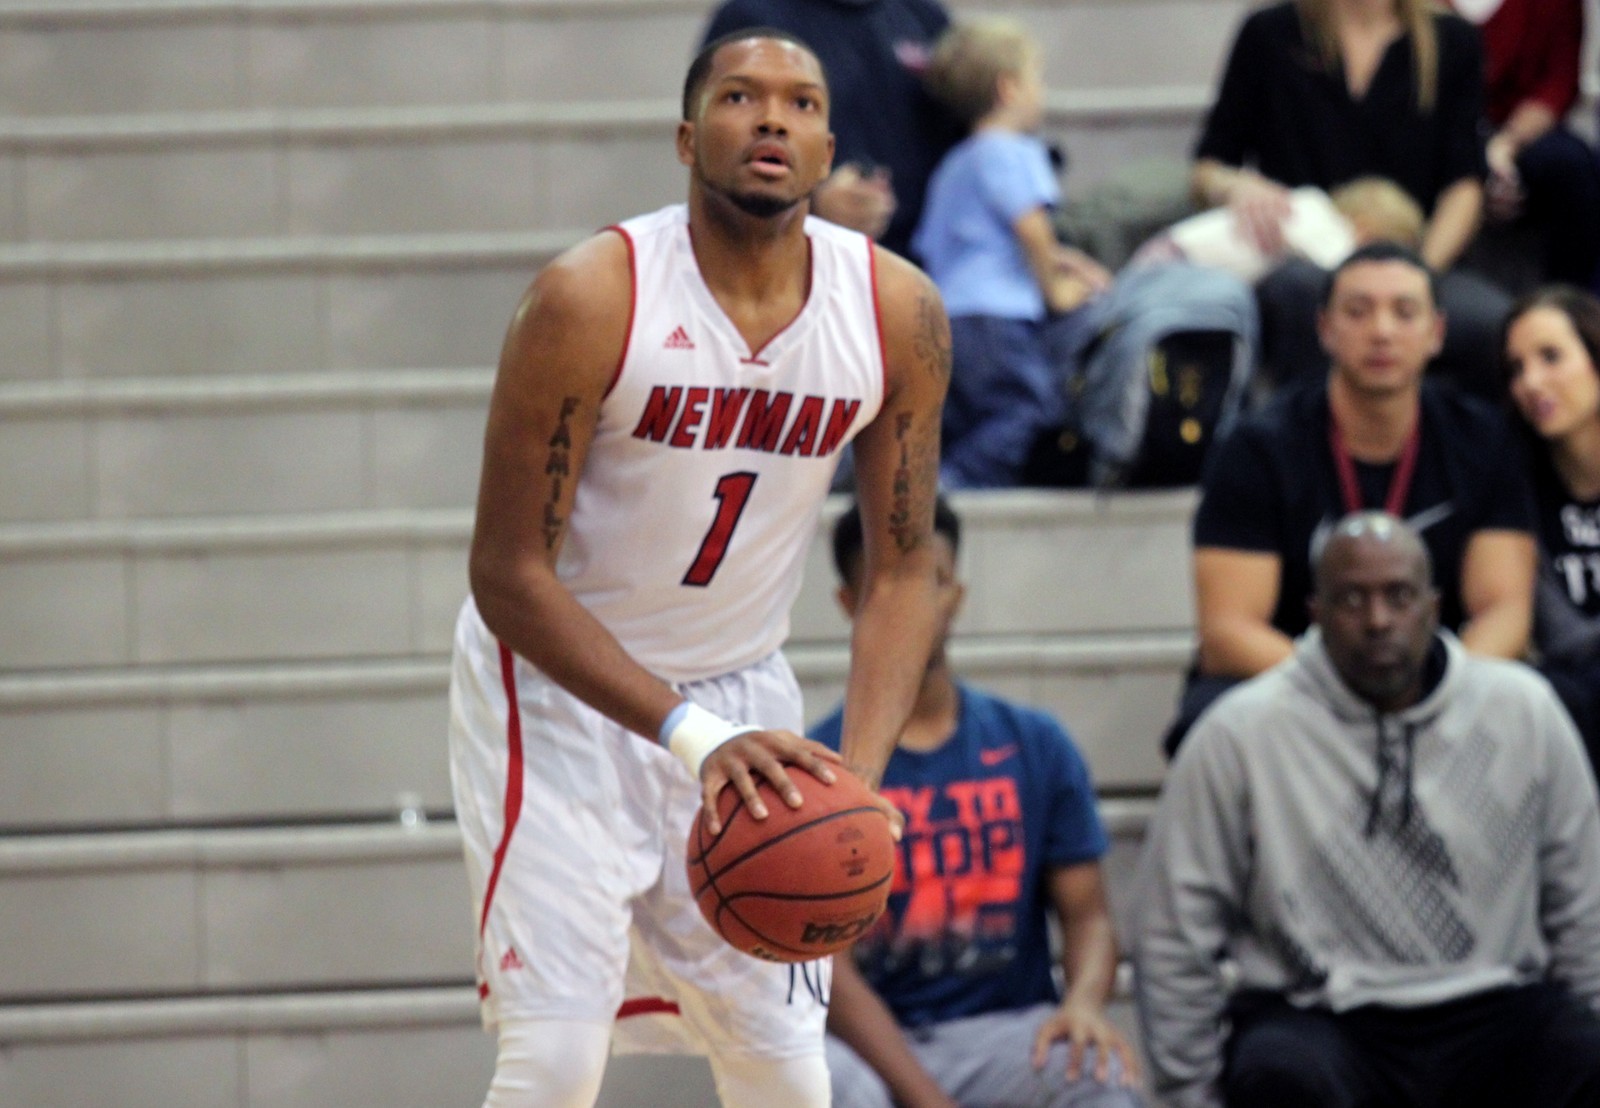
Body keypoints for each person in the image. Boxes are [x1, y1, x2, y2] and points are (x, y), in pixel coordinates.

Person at [446, 29, 951, 1108]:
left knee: (787, 1072)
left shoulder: (894, 310)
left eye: (801, 103)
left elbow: (906, 571)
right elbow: (506, 573)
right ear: (686, 138)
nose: (772, 117)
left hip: (745, 693)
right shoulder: (592, 296)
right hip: (561, 689)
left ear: (828, 151)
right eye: (739, 96)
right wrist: (688, 733)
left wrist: (856, 780)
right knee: (555, 1060)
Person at [1133, 511, 1600, 1108]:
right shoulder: (1240, 734)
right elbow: (1173, 928)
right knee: (1277, 1073)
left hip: (1493, 1007)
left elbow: (1583, 902)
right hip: (1321, 1016)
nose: (1378, 621)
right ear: (1316, 614)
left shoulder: (1525, 711)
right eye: (1352, 600)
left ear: (1432, 607)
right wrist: (1190, 1095)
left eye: (1398, 596)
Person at [812, 497, 1145, 1108]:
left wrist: (1083, 1005)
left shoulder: (1035, 743)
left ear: (957, 595)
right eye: (887, 588)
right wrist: (926, 1098)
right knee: (817, 1085)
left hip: (1005, 1036)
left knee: (1096, 1073)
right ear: (848, 603)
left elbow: (1089, 917)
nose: (914, 606)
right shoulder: (821, 765)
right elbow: (831, 974)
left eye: (932, 582)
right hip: (872, 1047)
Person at [1166, 241, 1536, 756]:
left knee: (1539, 700)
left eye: (1404, 312)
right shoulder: (1258, 446)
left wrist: (1431, 696)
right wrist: (1353, 698)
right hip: (1297, 682)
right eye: (1358, 311)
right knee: (1206, 717)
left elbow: (1504, 612)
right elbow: (1228, 632)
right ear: (1325, 329)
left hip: (1438, 684)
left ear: (1436, 333)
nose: (1381, 331)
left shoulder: (1482, 439)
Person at [1192, 0, 1511, 398]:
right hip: (1305, 258)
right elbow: (1209, 165)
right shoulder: (1270, 33)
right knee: (1304, 295)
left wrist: (1418, 274)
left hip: (1419, 255)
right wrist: (1237, 187)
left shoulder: (1453, 40)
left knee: (1493, 324)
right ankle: (1310, 433)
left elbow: (1464, 185)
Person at [908, 17, 1111, 489]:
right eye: (1037, 79)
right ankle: (951, 485)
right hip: (996, 320)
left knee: (966, 419)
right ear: (1009, 88)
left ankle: (935, 480)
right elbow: (1030, 227)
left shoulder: (954, 164)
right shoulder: (1014, 151)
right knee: (1027, 411)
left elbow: (957, 244)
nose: (1042, 92)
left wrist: (1067, 262)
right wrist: (1056, 289)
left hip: (946, 318)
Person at [701, 0, 961, 259]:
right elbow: (717, 150)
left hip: (921, 256)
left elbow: (966, 140)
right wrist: (809, 204)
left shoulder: (924, 17)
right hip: (793, 254)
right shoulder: (753, 17)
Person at [1504, 285, 1600, 775]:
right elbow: (1557, 634)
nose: (1532, 382)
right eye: (1516, 368)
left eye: (1551, 357)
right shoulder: (1513, 481)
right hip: (1571, 691)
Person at [1445, 0, 1600, 293]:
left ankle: (1568, 300)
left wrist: (1507, 143)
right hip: (1446, 126)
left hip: (1520, 128)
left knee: (1570, 164)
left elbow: (1559, 80)